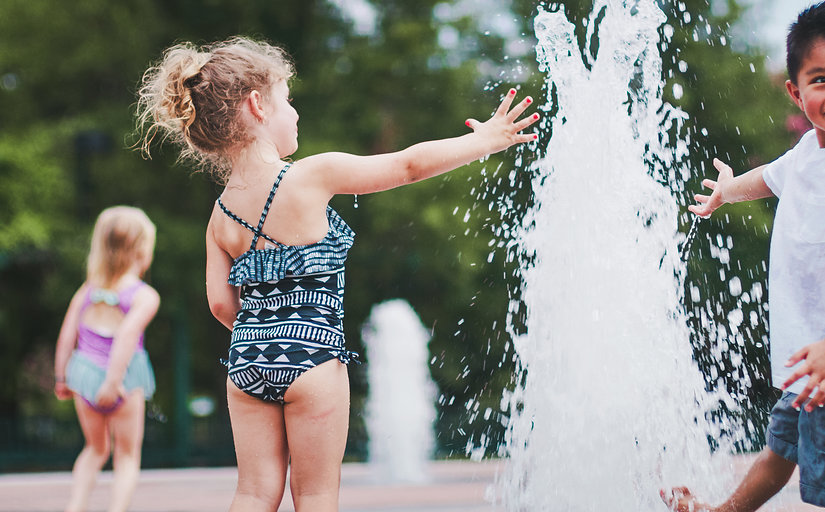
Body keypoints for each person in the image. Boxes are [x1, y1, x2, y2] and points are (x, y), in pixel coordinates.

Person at [133, 36, 539, 512]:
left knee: (254, 492)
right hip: (312, 355)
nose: (296, 113)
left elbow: (221, 304)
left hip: (247, 360)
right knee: (316, 496)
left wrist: (262, 332)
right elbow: (406, 166)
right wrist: (482, 141)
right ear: (258, 105)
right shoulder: (311, 175)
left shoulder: (220, 214)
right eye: (288, 100)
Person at [662, 0, 825, 512]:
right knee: (781, 451)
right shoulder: (809, 150)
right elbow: (772, 178)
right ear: (796, 93)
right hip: (812, 363)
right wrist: (727, 191)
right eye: (822, 80)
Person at [54, 206, 161, 512]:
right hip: (122, 380)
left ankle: (75, 507)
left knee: (94, 449)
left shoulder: (87, 290)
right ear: (142, 249)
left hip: (84, 376)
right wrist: (113, 383)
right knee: (126, 455)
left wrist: (62, 378)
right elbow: (126, 339)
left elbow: (66, 336)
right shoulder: (144, 296)